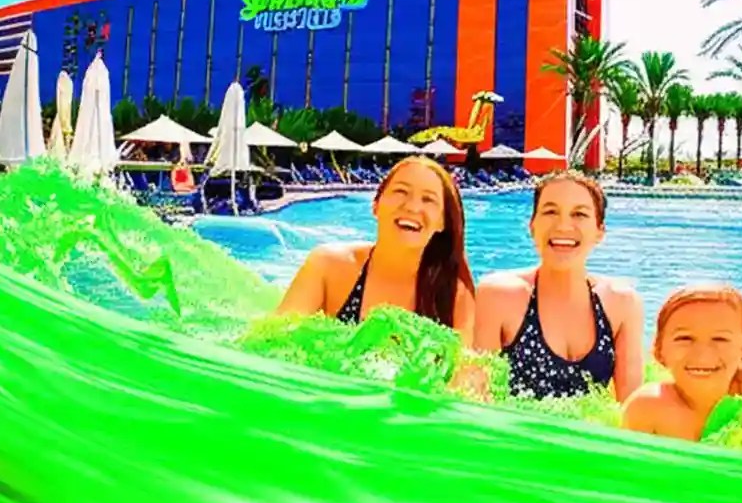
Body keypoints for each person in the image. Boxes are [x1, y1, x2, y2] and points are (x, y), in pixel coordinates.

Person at [473, 170, 643, 402]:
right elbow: (477, 398)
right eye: (550, 211)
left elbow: (631, 407)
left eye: (579, 214)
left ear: (599, 232)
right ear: (532, 227)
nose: (563, 226)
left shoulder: (622, 303)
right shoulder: (498, 295)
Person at [275, 156, 475, 344]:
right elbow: (273, 341)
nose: (413, 207)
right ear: (376, 205)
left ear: (442, 222)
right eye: (401, 192)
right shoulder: (329, 267)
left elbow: (466, 370)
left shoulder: (453, 296)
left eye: (428, 199)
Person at [621, 283, 742, 441]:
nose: (702, 355)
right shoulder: (648, 407)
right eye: (684, 338)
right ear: (658, 350)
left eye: (720, 339)